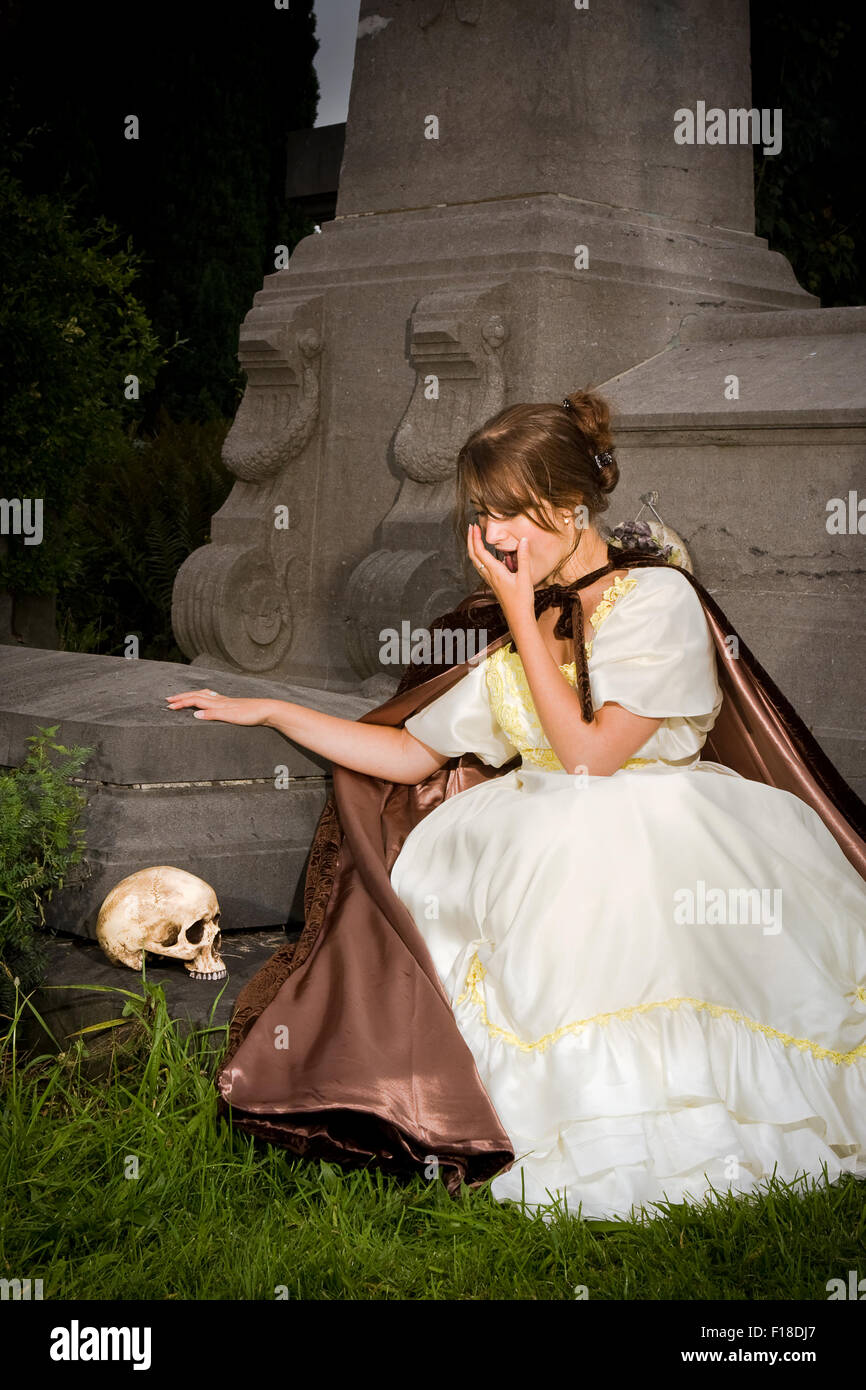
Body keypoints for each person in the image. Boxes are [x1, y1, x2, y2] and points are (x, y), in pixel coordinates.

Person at [165, 388, 866, 1224]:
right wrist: (275, 710)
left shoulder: (657, 603)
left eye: (513, 512)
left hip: (659, 836)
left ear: (571, 507)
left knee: (583, 838)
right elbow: (408, 751)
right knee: (541, 849)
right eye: (482, 512)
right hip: (541, 831)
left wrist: (516, 616)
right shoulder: (508, 632)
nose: (494, 535)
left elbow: (589, 758)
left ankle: (657, 1116)